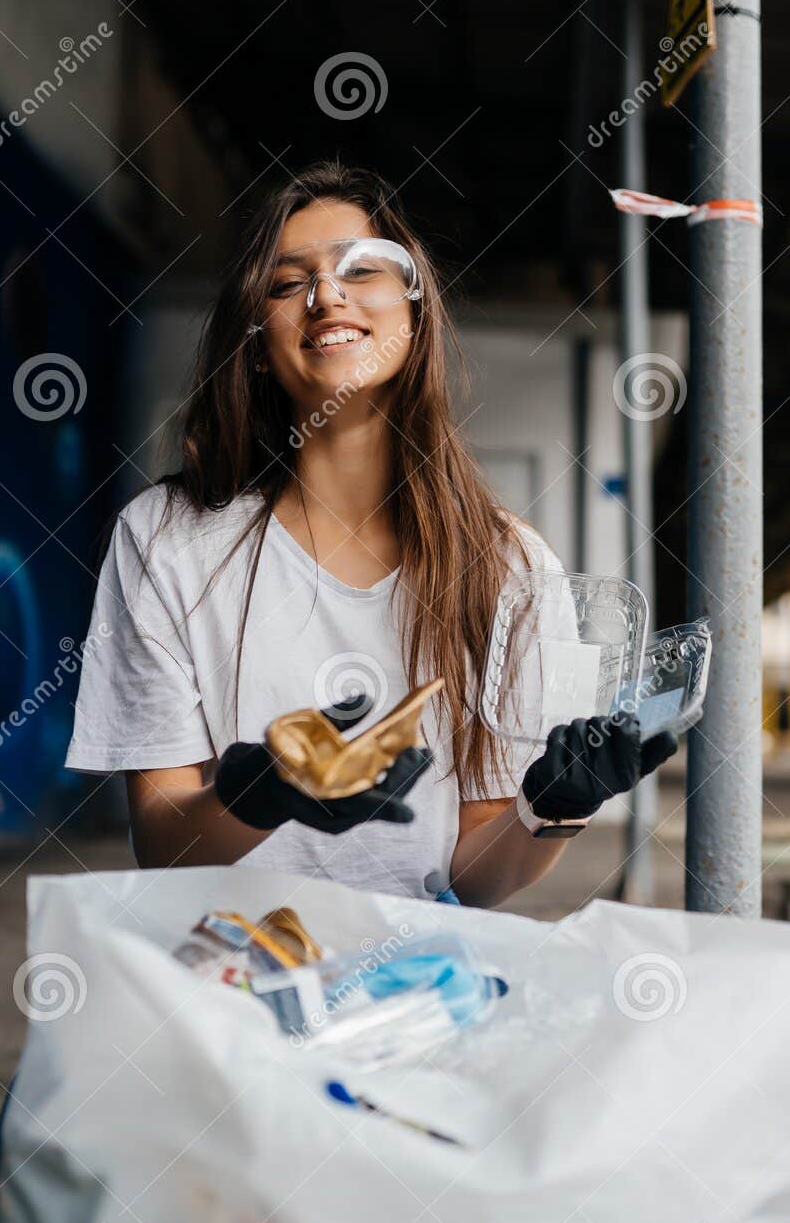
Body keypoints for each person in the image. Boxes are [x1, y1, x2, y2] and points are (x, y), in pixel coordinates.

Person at [66, 161, 675, 907]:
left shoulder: (508, 564)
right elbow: (164, 852)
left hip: (418, 984)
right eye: (288, 284)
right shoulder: (165, 538)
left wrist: (552, 809)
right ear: (258, 341)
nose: (327, 296)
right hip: (223, 978)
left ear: (415, 313)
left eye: (362, 269)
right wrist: (258, 800)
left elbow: (472, 879)